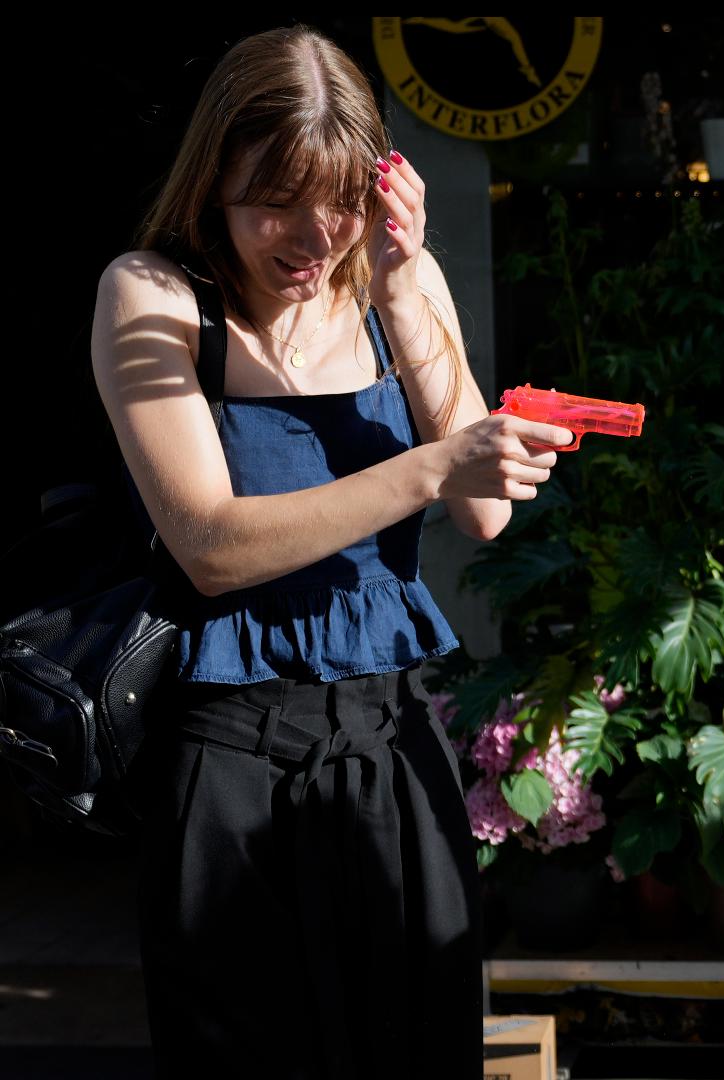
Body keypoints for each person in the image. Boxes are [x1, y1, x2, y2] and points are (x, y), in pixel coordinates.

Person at [90, 25, 575, 1077]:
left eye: (342, 199)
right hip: (227, 764)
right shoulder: (155, 297)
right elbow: (211, 543)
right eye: (275, 201)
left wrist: (403, 290)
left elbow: (486, 519)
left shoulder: (397, 282)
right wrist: (430, 468)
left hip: (393, 748)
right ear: (212, 177)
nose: (314, 236)